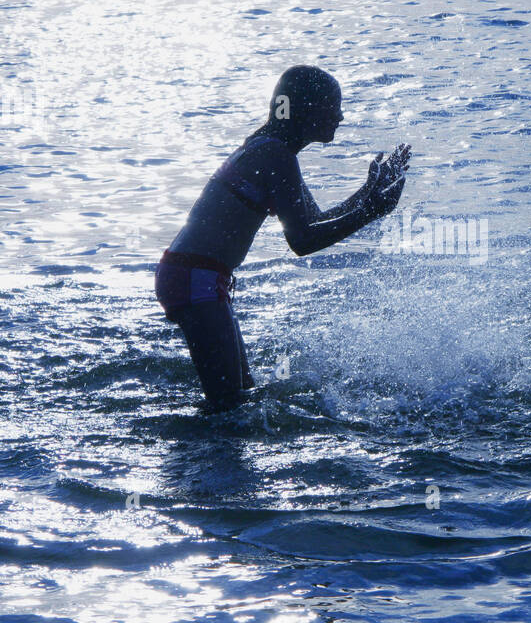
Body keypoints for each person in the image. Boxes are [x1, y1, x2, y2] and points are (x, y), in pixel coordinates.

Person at [156, 65, 410, 406]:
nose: (341, 116)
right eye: (334, 106)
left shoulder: (271, 148)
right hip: (195, 277)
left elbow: (314, 220)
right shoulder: (275, 155)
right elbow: (302, 241)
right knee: (228, 404)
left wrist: (367, 193)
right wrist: (372, 212)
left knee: (239, 397)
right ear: (306, 109)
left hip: (195, 274)